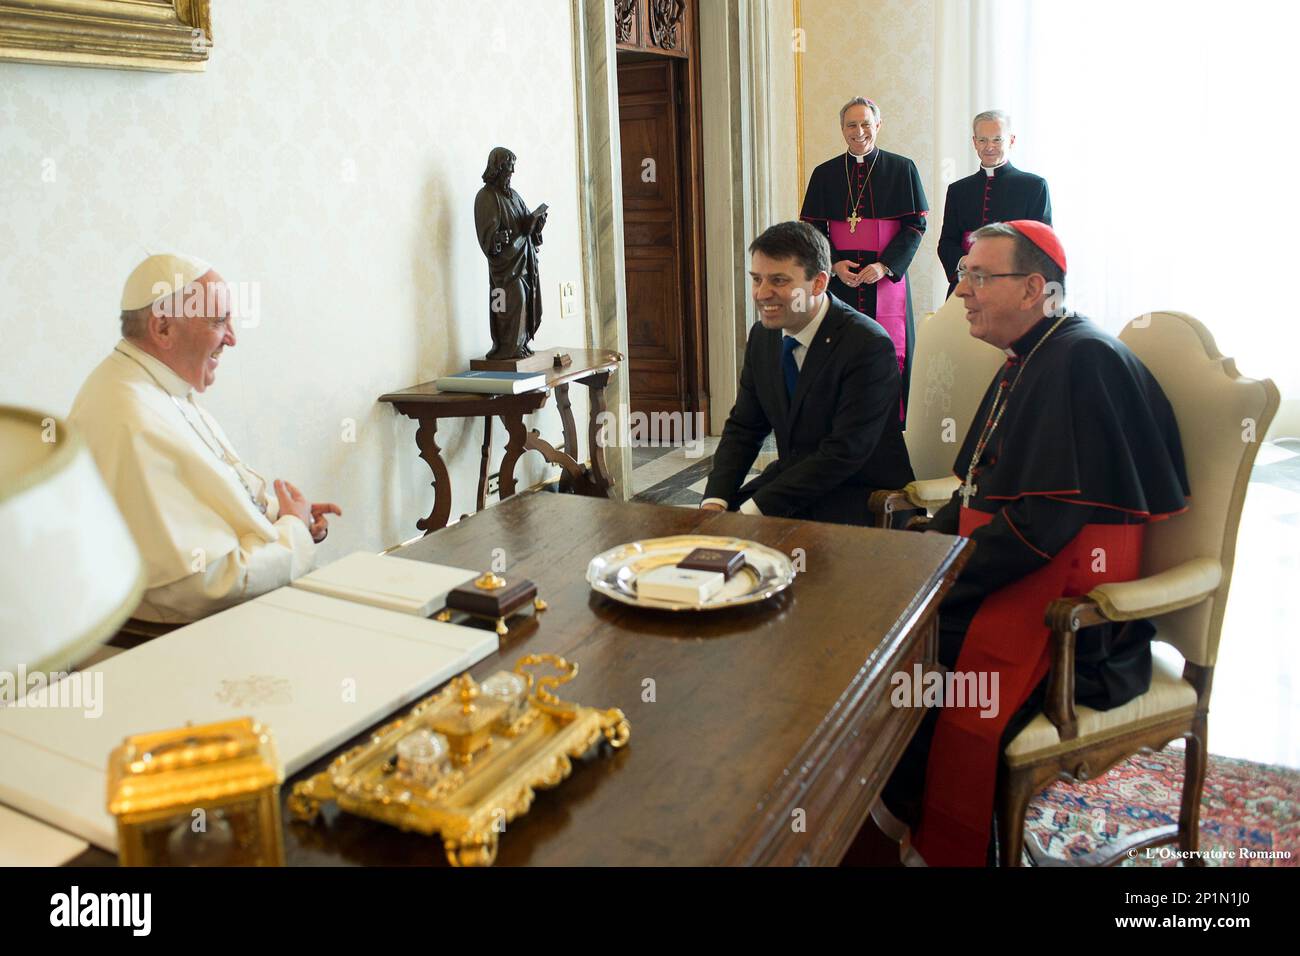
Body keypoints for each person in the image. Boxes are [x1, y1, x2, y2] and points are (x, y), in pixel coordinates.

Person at [879, 222, 1189, 866]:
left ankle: (927, 837)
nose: (961, 289)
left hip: (1079, 627)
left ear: (1032, 288)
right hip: (1024, 578)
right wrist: (912, 553)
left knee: (902, 653)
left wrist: (930, 579)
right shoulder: (1033, 355)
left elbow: (1038, 529)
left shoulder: (1080, 361)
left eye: (977, 277)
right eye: (964, 274)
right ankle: (896, 819)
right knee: (884, 632)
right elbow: (975, 495)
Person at [69, 253, 341, 624]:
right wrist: (292, 533)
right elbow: (203, 584)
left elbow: (215, 508)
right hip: (177, 644)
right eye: (218, 321)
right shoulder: (131, 418)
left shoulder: (156, 388)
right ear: (163, 329)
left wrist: (285, 515)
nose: (231, 337)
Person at [699, 222, 913, 525]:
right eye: (756, 279)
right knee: (709, 539)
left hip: (861, 498)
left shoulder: (867, 345)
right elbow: (744, 428)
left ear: (818, 283)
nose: (762, 294)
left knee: (752, 542)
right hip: (793, 484)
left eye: (779, 281)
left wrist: (752, 514)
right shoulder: (763, 336)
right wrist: (716, 500)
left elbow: (844, 453)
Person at [800, 97, 928, 422]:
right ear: (842, 129)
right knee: (838, 351)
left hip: (885, 279)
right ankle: (841, 423)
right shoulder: (825, 173)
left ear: (878, 125)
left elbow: (915, 225)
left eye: (865, 124)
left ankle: (890, 425)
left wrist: (885, 266)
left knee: (888, 350)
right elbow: (813, 227)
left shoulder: (902, 169)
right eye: (851, 125)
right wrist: (834, 264)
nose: (859, 132)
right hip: (841, 279)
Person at [937, 110, 1051, 296]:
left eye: (997, 140)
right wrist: (963, 261)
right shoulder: (958, 190)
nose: (989, 146)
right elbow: (947, 242)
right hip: (967, 283)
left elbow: (1041, 243)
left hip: (1013, 286)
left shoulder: (1034, 186)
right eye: (982, 140)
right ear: (974, 142)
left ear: (1011, 140)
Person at [474, 146, 547, 360]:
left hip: (524, 261)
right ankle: (508, 347)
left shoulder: (514, 196)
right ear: (497, 168)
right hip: (505, 267)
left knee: (526, 300)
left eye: (513, 168)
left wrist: (537, 225)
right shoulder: (486, 197)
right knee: (514, 299)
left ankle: (521, 345)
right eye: (508, 168)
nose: (512, 173)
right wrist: (497, 239)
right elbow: (486, 235)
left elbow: (525, 225)